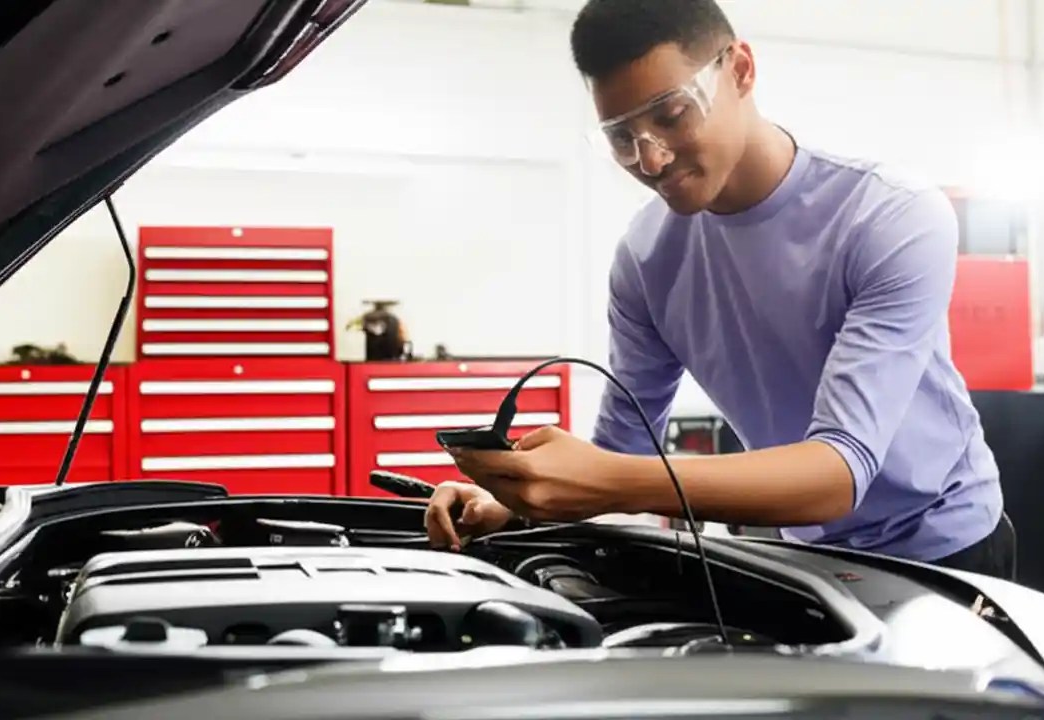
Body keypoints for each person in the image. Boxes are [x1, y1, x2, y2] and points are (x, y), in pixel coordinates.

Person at [425, 0, 1013, 578]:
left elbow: (840, 472)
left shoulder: (890, 217)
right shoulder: (645, 257)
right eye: (620, 136)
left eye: (673, 113)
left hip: (943, 548)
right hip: (808, 552)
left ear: (740, 71)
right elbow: (625, 443)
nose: (649, 157)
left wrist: (600, 482)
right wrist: (518, 502)